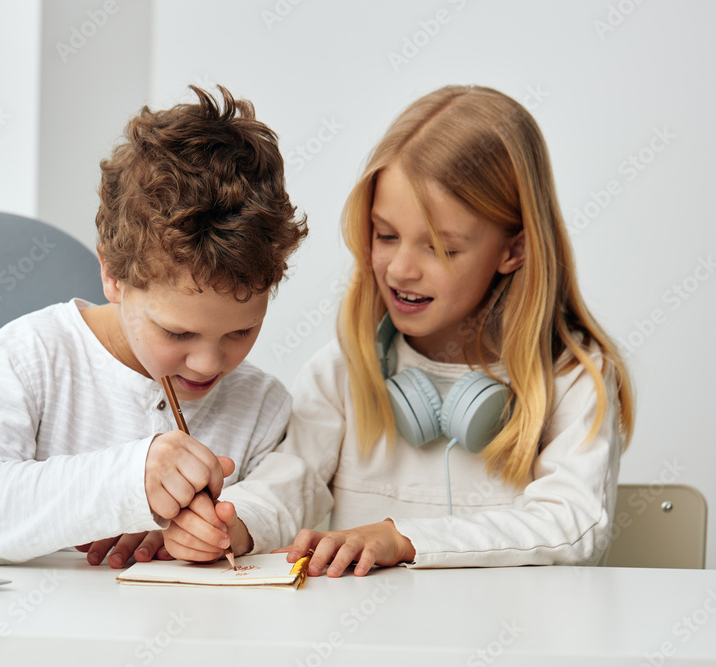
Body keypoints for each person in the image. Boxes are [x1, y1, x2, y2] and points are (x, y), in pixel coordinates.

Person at [162, 85, 635, 575]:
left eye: (441, 248)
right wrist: (232, 525)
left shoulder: (576, 382)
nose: (401, 269)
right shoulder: (343, 372)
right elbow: (288, 485)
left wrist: (404, 539)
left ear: (513, 250)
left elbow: (573, 525)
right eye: (386, 235)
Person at [0, 85, 307, 566]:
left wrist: (232, 527)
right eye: (177, 333)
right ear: (113, 274)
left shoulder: (262, 405)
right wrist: (131, 479)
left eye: (241, 332)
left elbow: (294, 500)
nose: (209, 362)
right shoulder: (29, 359)